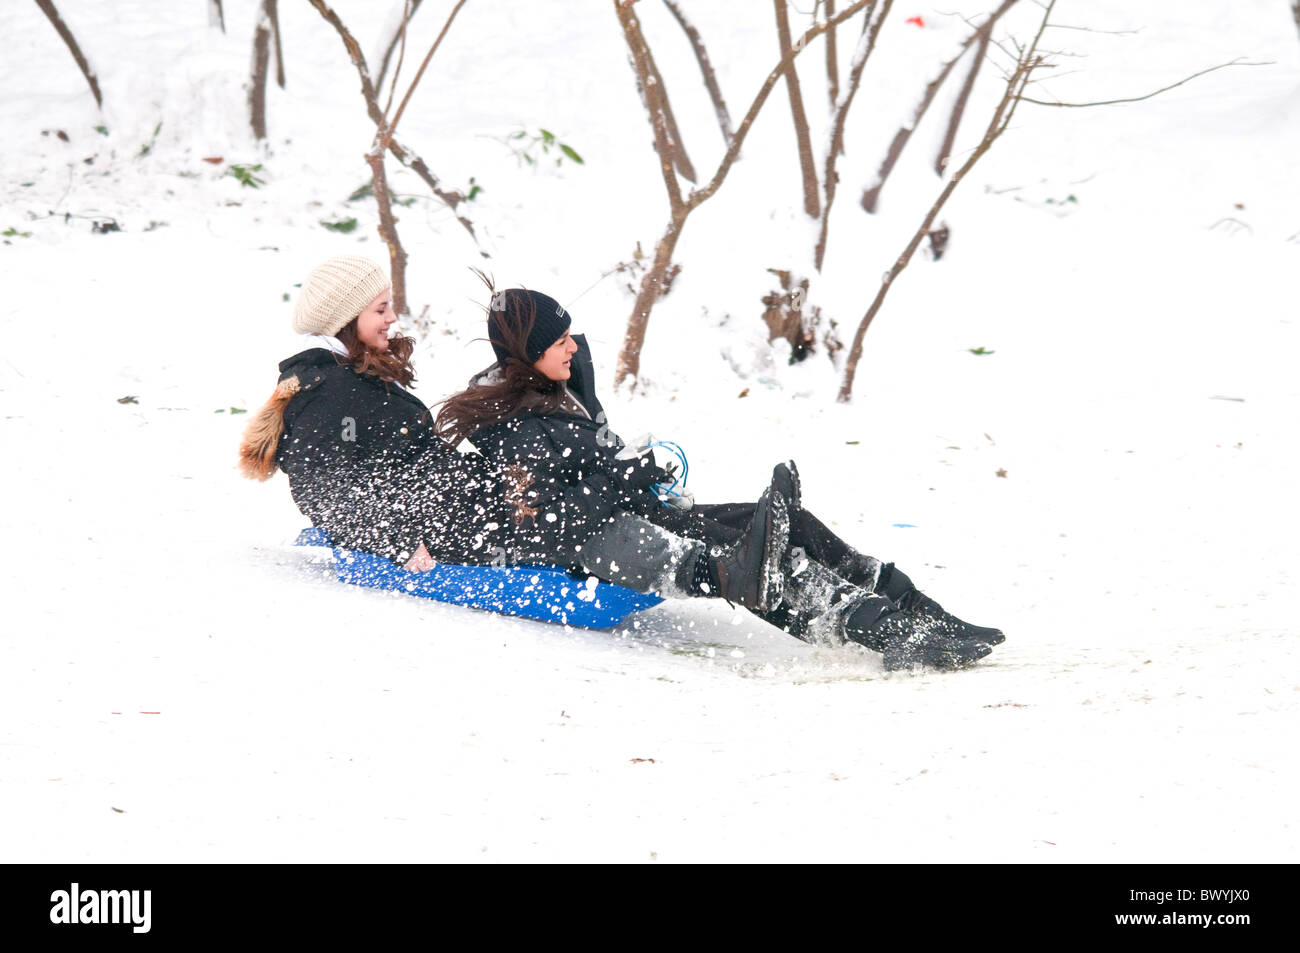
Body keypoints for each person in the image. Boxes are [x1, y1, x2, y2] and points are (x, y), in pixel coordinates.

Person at [435, 286, 1006, 671]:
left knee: (791, 523)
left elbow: (594, 458)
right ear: (531, 350)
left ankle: (910, 606)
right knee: (758, 554)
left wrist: (630, 468)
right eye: (560, 340)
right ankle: (887, 633)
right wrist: (628, 478)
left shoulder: (554, 387)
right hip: (605, 542)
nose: (573, 346)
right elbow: (555, 517)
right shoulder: (507, 424)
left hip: (640, 511)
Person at [238, 256, 780, 607]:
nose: (392, 317)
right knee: (564, 514)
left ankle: (736, 550)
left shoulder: (343, 380)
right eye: (380, 309)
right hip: (447, 523)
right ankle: (720, 572)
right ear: (344, 319)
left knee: (574, 495)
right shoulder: (327, 393)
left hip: (453, 501)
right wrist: (398, 543)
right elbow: (324, 489)